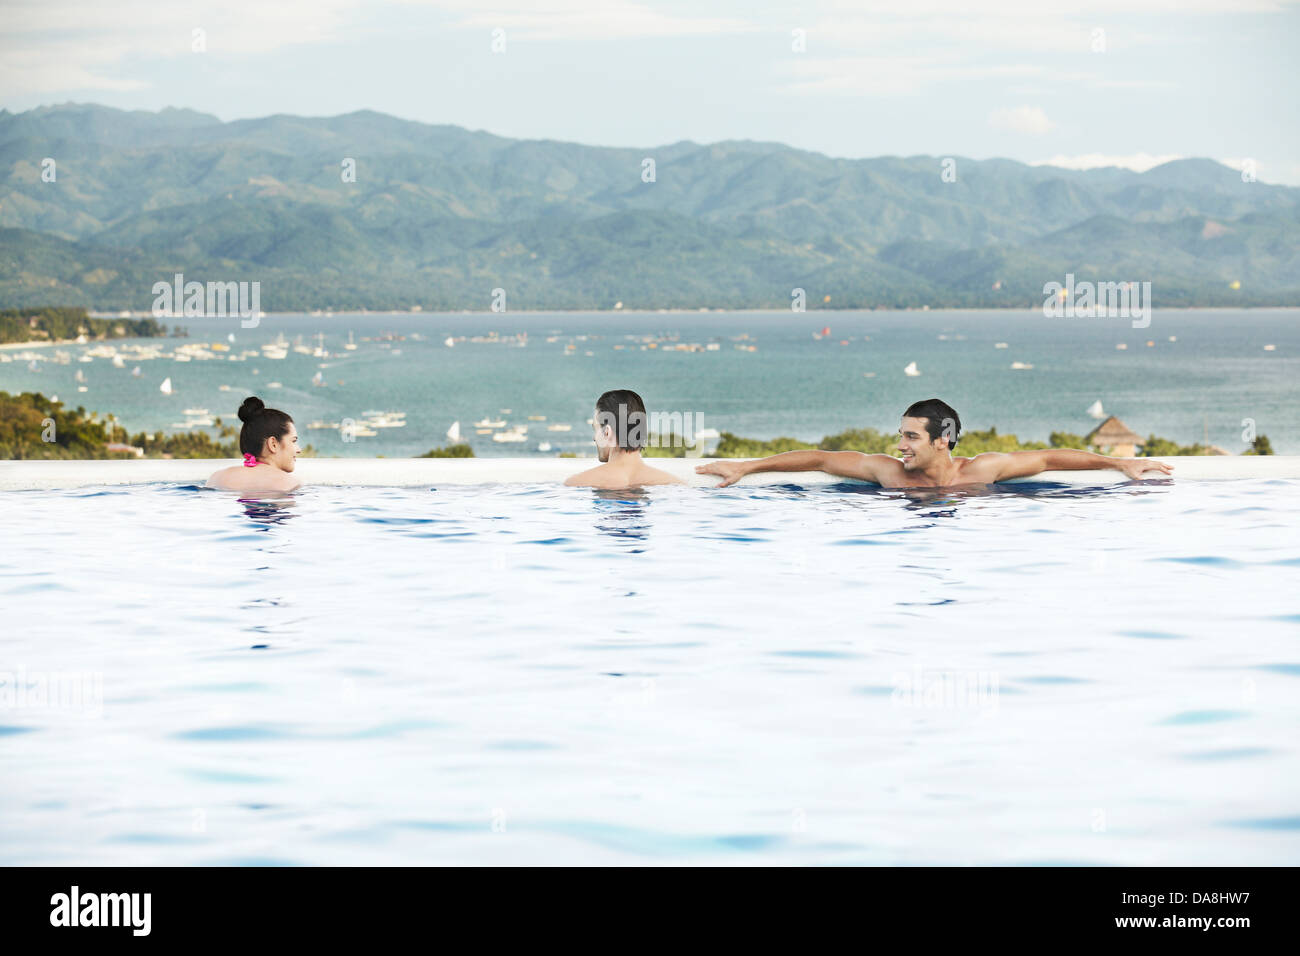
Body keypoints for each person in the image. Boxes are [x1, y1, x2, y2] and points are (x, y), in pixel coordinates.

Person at [695, 397, 1173, 489]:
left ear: (942, 440)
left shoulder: (980, 472)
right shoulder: (886, 473)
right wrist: (746, 467)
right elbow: (820, 460)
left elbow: (1049, 459)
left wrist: (1117, 464)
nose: (899, 444)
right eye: (900, 434)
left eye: (909, 436)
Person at [565, 389, 686, 489]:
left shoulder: (577, 483)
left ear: (607, 433)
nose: (594, 438)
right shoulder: (675, 484)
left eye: (595, 429)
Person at [206, 396, 302, 492]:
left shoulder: (216, 478)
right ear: (273, 444)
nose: (299, 450)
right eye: (293, 441)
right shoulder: (288, 483)